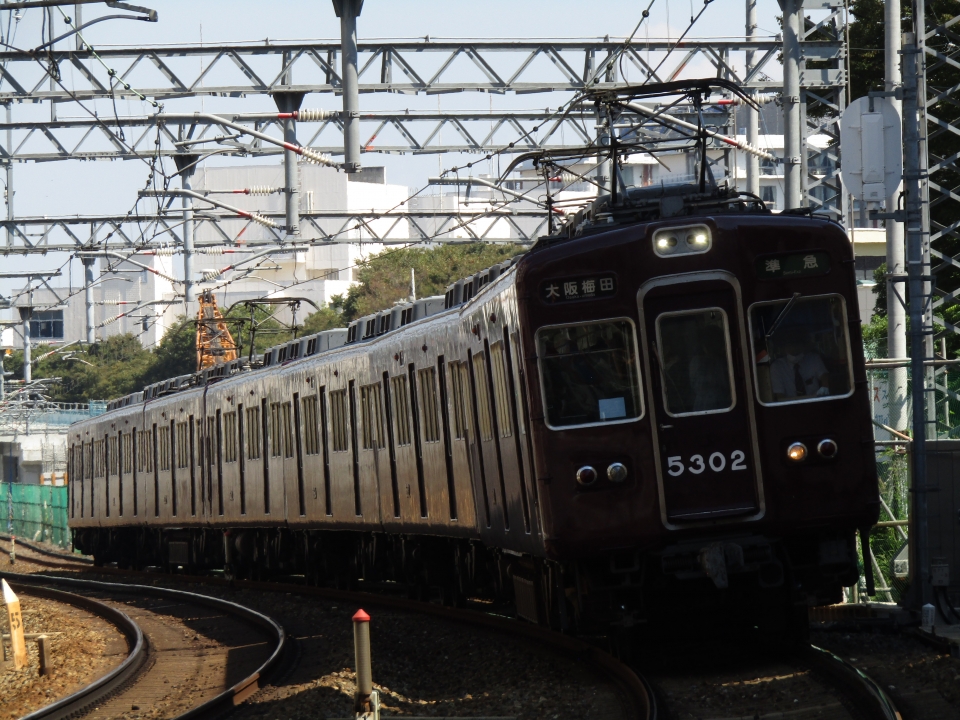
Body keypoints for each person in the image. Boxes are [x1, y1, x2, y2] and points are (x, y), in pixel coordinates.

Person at [769, 327, 831, 400]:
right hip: (790, 405)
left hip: (814, 402)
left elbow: (824, 376)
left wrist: (825, 388)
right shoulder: (777, 367)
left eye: (797, 344)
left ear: (804, 346)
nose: (794, 349)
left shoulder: (813, 359)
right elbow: (780, 396)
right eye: (790, 345)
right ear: (784, 348)